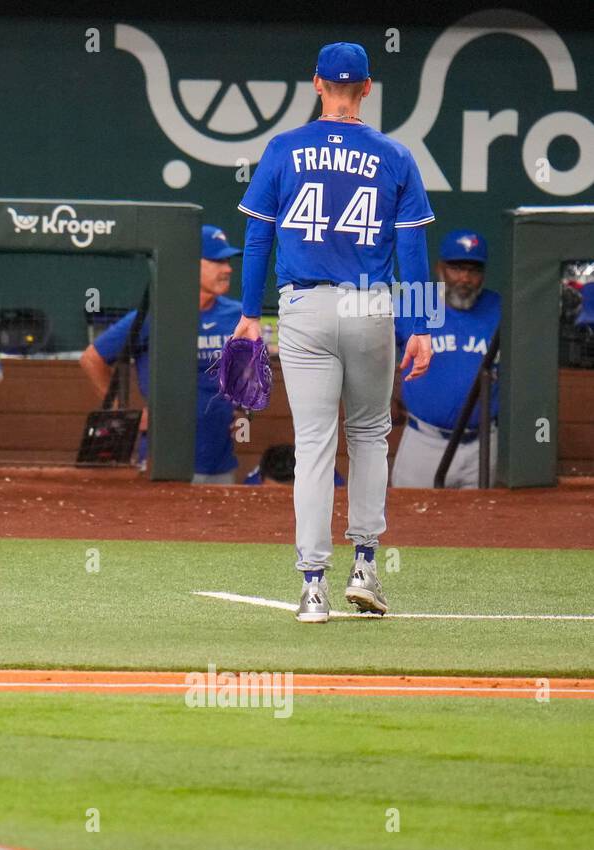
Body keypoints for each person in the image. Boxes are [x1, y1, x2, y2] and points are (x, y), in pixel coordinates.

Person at [234, 41, 434, 623]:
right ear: (367, 88)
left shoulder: (284, 148)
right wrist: (421, 325)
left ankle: (313, 588)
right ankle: (366, 567)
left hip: (305, 306)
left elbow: (258, 238)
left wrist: (250, 313)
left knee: (315, 443)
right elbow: (414, 247)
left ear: (317, 83)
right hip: (370, 308)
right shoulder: (395, 155)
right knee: (370, 433)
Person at [80, 226, 243, 482]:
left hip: (220, 460)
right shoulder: (157, 314)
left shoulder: (237, 315)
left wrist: (240, 407)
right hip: (165, 460)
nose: (228, 269)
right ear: (189, 264)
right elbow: (92, 358)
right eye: (217, 261)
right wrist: (124, 415)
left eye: (227, 261)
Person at [392, 230, 500, 488]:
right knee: (413, 523)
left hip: (483, 445)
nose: (465, 278)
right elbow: (368, 349)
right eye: (457, 268)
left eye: (473, 270)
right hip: (424, 443)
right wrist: (381, 394)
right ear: (440, 268)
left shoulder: (501, 308)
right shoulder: (413, 305)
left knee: (482, 526)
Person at [243, 444, 346, 486]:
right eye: (271, 491)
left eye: (287, 494)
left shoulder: (325, 478)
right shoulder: (251, 485)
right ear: (260, 479)